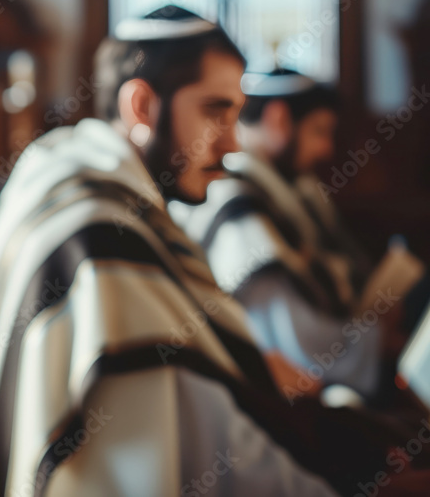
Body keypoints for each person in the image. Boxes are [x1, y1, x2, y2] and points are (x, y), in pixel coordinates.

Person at [0, 7, 430, 496]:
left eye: (236, 115)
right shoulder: (99, 234)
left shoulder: (76, 176)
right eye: (213, 111)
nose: (230, 143)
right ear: (141, 106)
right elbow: (194, 449)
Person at [172, 70, 425, 402]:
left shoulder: (298, 189)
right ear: (279, 120)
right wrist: (379, 339)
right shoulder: (234, 199)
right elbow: (294, 343)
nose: (326, 149)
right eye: (320, 132)